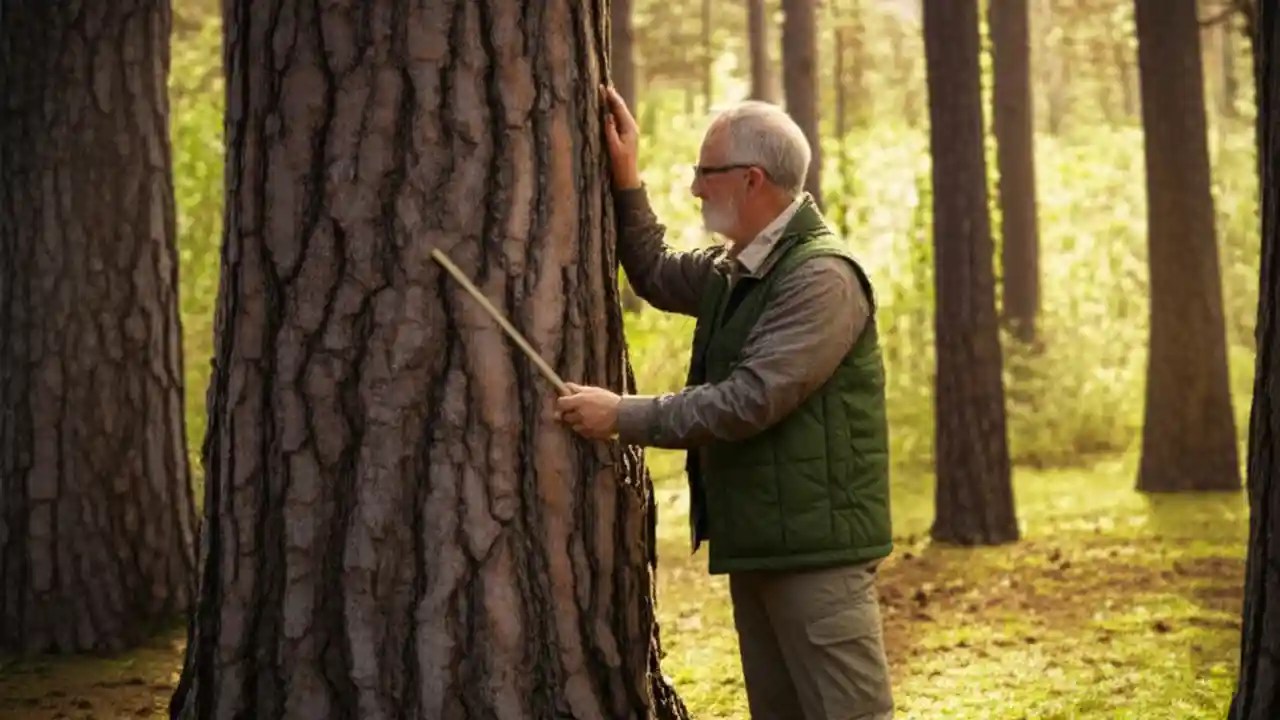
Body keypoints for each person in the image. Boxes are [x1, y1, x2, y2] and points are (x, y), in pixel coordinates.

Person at [556, 85, 894, 720]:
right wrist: (627, 178)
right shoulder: (737, 270)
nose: (695, 190)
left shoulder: (820, 278)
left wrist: (622, 415)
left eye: (704, 174)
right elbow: (654, 270)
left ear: (750, 179)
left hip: (817, 559)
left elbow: (748, 401)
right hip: (765, 544)